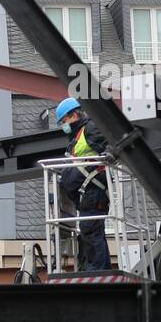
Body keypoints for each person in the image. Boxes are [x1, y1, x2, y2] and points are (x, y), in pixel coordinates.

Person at [55, 97, 112, 271]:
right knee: (91, 230)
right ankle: (98, 267)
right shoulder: (77, 137)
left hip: (94, 191)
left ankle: (97, 270)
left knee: (91, 229)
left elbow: (110, 141)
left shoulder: (90, 128)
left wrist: (110, 152)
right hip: (86, 193)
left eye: (64, 121)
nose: (64, 126)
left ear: (74, 115)